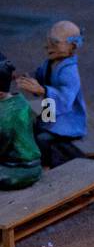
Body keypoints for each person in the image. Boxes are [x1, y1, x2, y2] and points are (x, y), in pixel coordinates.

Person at [14, 21, 85, 168]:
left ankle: (48, 167)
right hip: (51, 110)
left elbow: (66, 100)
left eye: (55, 43)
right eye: (48, 42)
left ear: (72, 46)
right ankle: (31, 159)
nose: (47, 46)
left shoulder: (69, 71)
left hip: (67, 118)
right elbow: (40, 74)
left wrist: (43, 90)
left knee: (42, 138)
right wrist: (23, 76)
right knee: (31, 127)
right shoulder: (51, 63)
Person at [0, 61, 41, 191]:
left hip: (20, 169)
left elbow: (2, 143)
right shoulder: (19, 99)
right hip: (31, 164)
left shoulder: (7, 113)